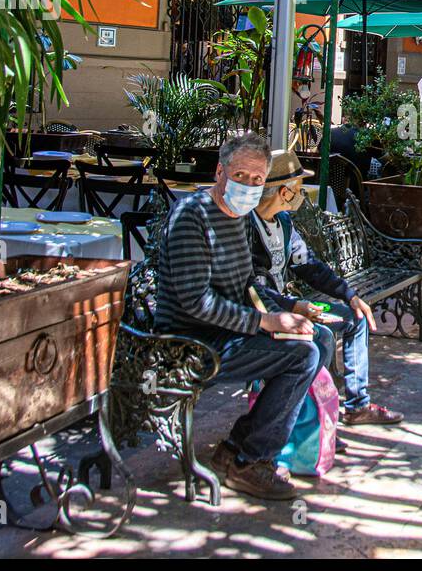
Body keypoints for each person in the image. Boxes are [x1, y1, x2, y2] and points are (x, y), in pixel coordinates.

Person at [153, 133, 322, 501]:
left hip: (226, 332)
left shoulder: (241, 218)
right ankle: (250, 461)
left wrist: (288, 309)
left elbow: (249, 284)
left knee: (317, 338)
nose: (248, 184)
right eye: (240, 175)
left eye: (257, 179)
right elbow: (196, 302)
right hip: (189, 341)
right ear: (220, 172)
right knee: (302, 356)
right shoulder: (191, 216)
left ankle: (237, 448)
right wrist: (266, 323)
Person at [248, 150, 405, 426]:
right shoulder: (247, 227)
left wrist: (350, 294)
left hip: (290, 306)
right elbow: (252, 289)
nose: (301, 192)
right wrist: (294, 308)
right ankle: (312, 420)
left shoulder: (284, 223)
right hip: (265, 315)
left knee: (355, 318)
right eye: (297, 186)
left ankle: (357, 405)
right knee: (320, 337)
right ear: (283, 192)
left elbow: (309, 265)